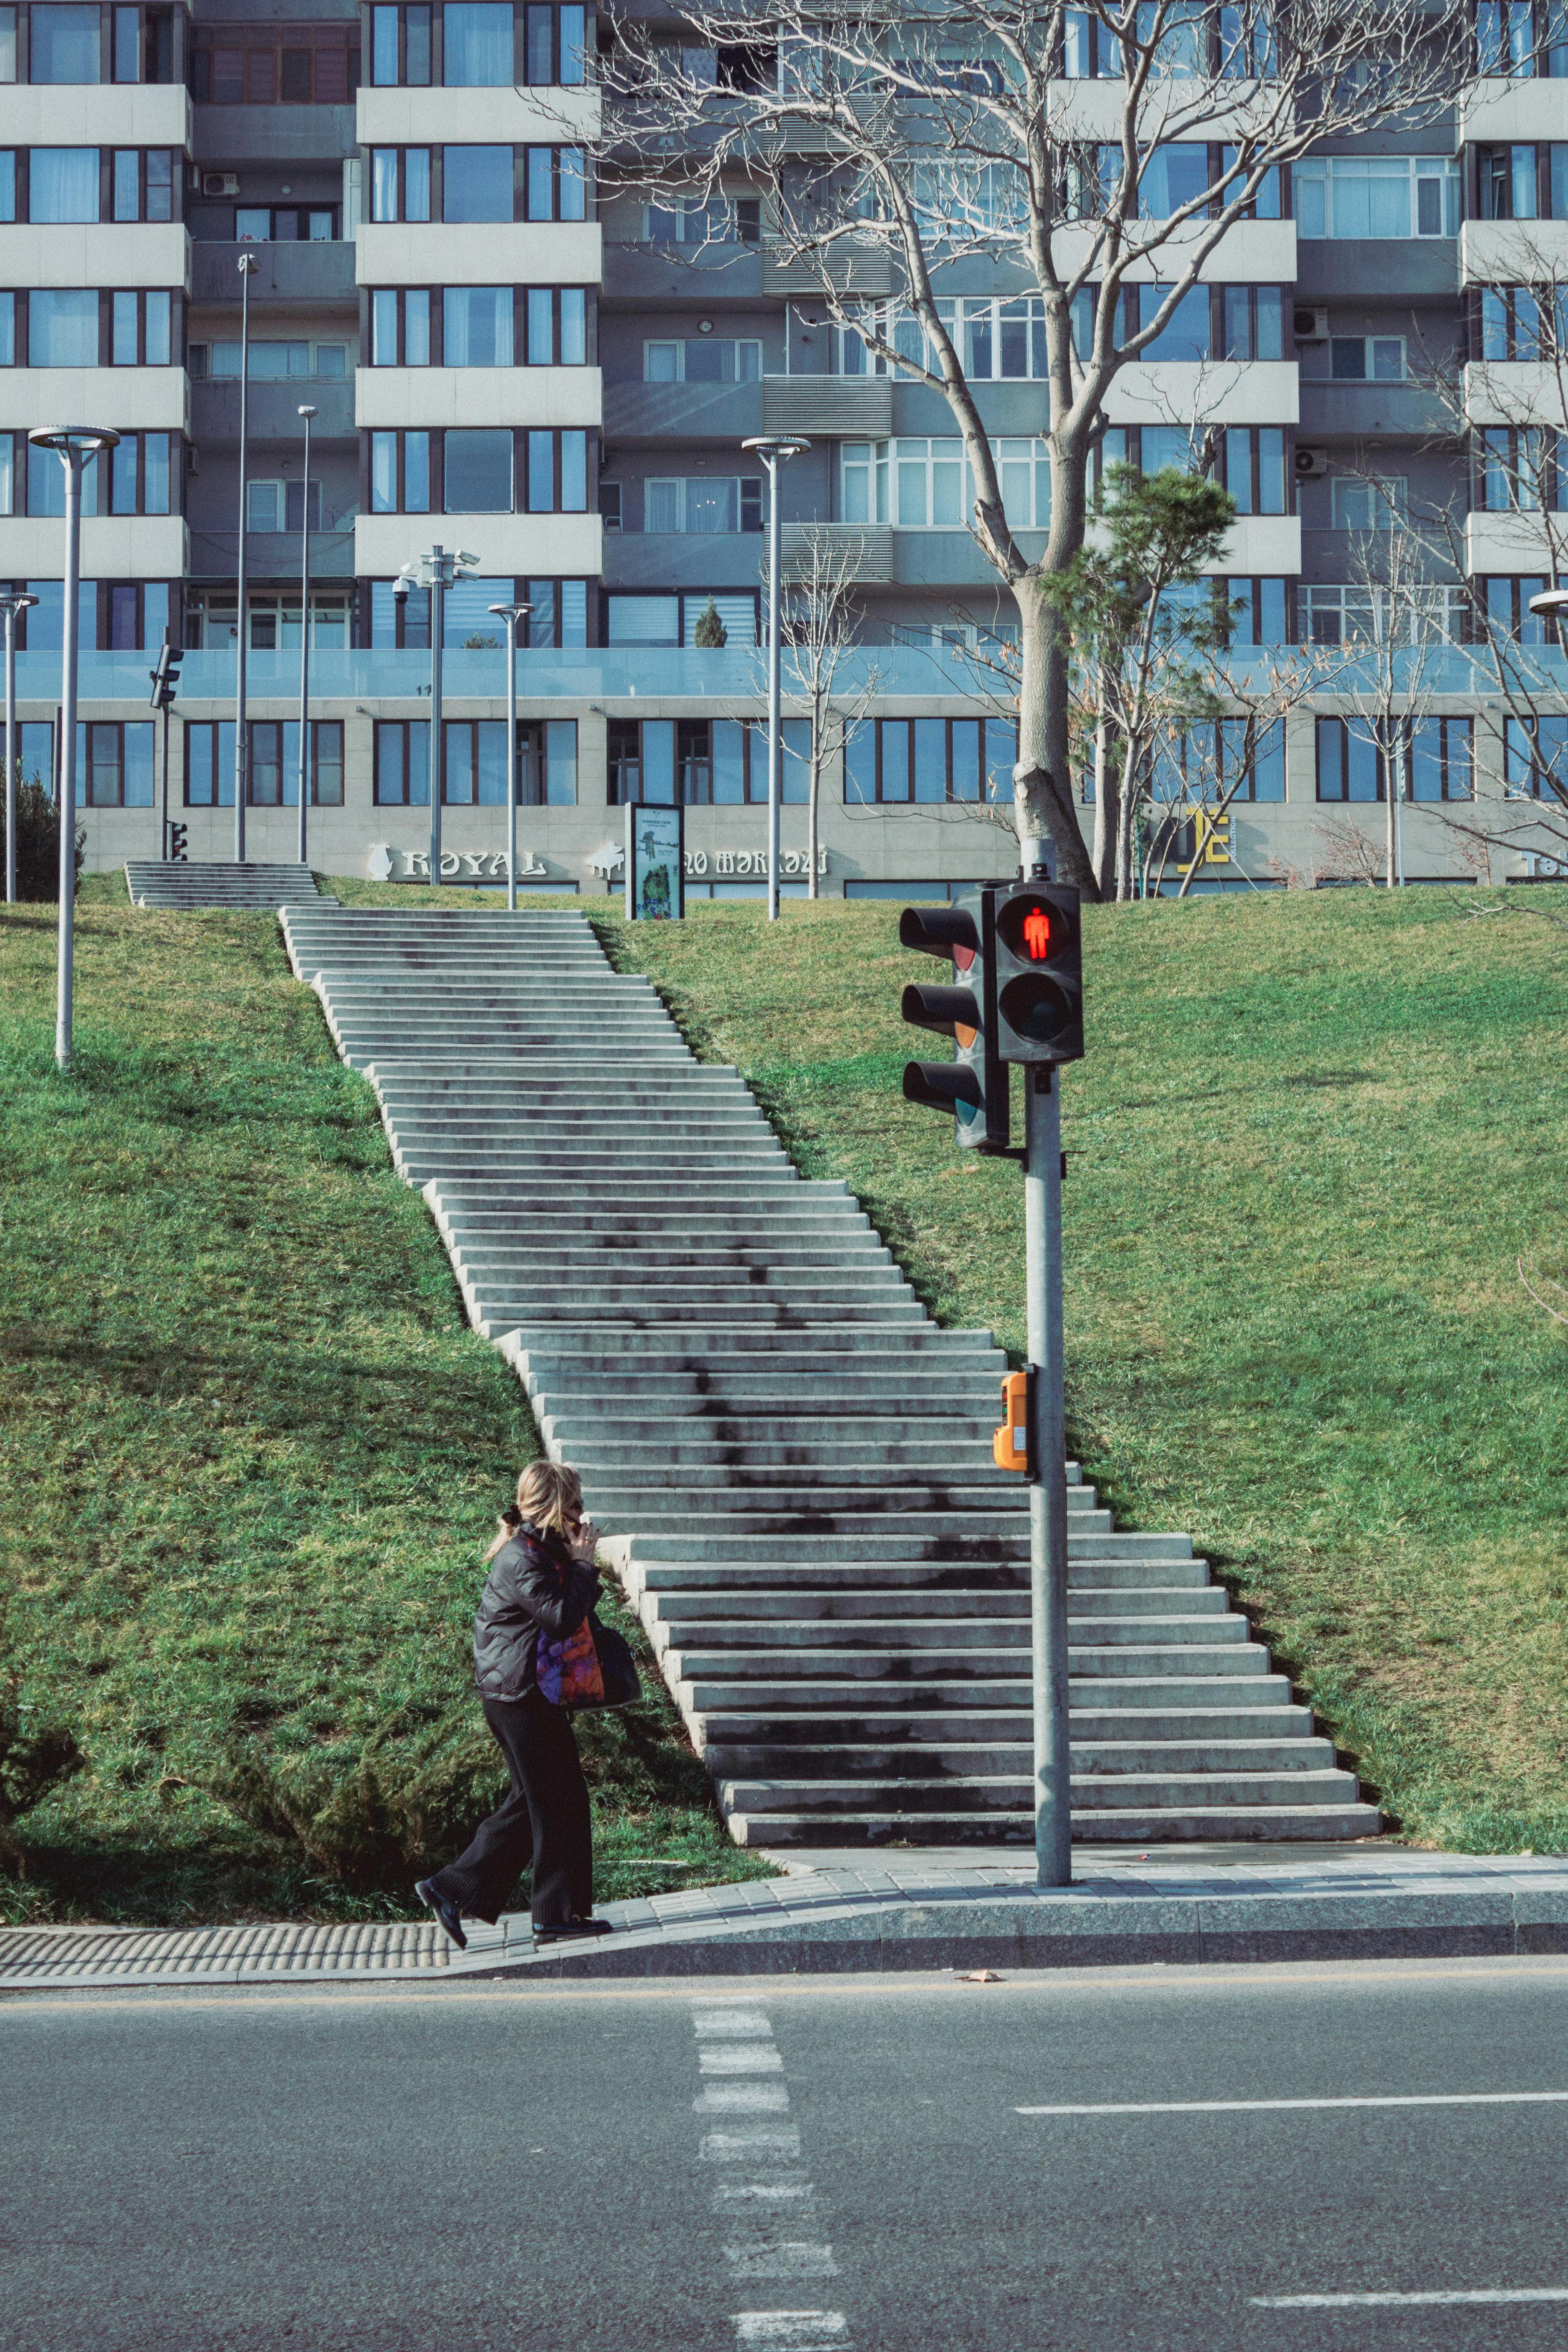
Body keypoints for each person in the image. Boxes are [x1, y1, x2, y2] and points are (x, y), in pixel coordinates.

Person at [416, 1461, 611, 1950]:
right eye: (576, 1506)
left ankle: (454, 1889)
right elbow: (563, 1618)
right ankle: (552, 1916)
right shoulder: (524, 1558)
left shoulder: (540, 1551)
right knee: (555, 1802)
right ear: (554, 1507)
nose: (582, 1517)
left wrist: (576, 1562)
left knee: (540, 1800)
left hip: (524, 1694)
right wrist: (585, 1564)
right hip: (520, 1698)